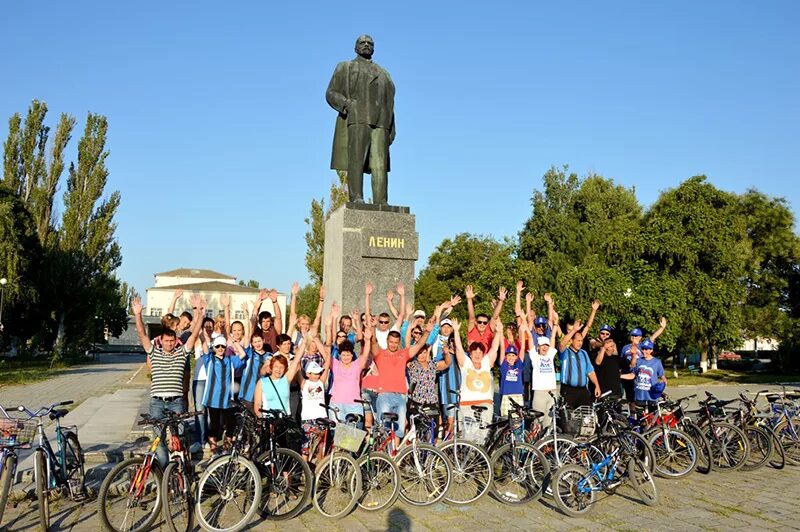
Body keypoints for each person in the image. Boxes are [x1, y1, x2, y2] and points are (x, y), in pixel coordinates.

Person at [132, 295, 204, 466]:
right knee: (159, 439)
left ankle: (181, 469)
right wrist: (137, 314)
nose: (170, 343)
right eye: (166, 341)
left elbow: (194, 334)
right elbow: (142, 334)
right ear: (161, 341)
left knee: (179, 436)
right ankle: (165, 473)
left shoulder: (182, 353)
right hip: (157, 403)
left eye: (172, 341)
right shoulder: (154, 352)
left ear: (175, 341)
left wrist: (199, 313)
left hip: (176, 403)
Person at [326, 34, 396, 205]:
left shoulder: (384, 74)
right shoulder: (346, 67)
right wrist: (347, 105)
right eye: (362, 43)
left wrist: (392, 126)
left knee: (380, 164)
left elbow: (390, 102)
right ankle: (356, 197)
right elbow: (331, 93)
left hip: (381, 122)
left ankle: (381, 201)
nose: (366, 45)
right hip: (358, 118)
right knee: (356, 159)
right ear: (355, 47)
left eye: (370, 43)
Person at [371, 318, 431, 440]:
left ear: (399, 343)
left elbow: (419, 345)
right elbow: (373, 342)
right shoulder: (380, 354)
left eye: (396, 342)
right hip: (384, 396)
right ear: (387, 341)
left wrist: (427, 331)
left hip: (400, 397)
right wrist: (372, 328)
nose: (393, 344)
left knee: (399, 431)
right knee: (383, 430)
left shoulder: (403, 354)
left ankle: (394, 457)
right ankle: (382, 457)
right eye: (391, 341)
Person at [452, 318, 502, 431]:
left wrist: (498, 333)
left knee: (483, 436)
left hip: (485, 405)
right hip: (467, 405)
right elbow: (459, 349)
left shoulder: (486, 363)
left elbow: (494, 349)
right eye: (475, 352)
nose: (477, 355)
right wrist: (456, 331)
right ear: (470, 353)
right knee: (468, 436)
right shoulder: (466, 363)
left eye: (480, 352)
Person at [200, 335, 246, 453]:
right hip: (213, 398)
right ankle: (214, 448)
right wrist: (201, 331)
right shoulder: (209, 359)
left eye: (223, 346)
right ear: (214, 347)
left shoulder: (230, 360)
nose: (220, 348)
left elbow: (243, 355)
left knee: (230, 423)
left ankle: (227, 445)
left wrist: (235, 341)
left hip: (227, 399)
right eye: (218, 346)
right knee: (214, 425)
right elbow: (204, 343)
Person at [621, 318, 667, 403]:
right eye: (632, 335)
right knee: (631, 399)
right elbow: (621, 361)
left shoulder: (643, 346)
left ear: (640, 337)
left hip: (641, 372)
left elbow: (653, 337)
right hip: (629, 372)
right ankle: (633, 414)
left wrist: (662, 328)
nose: (633, 337)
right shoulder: (625, 347)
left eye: (636, 336)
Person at [558, 319, 602, 408]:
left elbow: (590, 371)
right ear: (571, 340)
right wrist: (573, 330)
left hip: (582, 390)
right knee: (569, 418)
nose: (580, 343)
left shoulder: (584, 353)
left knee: (587, 415)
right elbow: (562, 343)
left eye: (581, 341)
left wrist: (597, 385)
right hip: (568, 390)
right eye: (578, 340)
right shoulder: (565, 352)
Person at [253, 345, 303, 418]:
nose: (278, 370)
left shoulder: (286, 380)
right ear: (271, 367)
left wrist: (304, 342)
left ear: (285, 369)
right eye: (276, 367)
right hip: (269, 420)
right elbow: (257, 404)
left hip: (285, 419)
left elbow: (296, 361)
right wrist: (262, 419)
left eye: (281, 367)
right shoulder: (262, 382)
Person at [621, 339, 666, 409]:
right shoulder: (638, 361)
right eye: (643, 349)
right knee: (640, 418)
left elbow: (663, 378)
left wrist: (660, 388)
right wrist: (619, 376)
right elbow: (632, 375)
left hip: (651, 396)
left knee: (652, 418)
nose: (644, 351)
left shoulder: (657, 362)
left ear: (651, 350)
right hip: (639, 395)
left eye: (647, 349)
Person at [465, 285, 506, 352]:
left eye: (485, 323)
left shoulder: (489, 330)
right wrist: (469, 300)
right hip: (472, 359)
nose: (482, 324)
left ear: (487, 324)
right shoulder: (472, 330)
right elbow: (471, 317)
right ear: (476, 322)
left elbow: (494, 317)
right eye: (479, 322)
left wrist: (501, 301)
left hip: (486, 360)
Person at [498, 344, 525, 417]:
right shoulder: (504, 366)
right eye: (509, 355)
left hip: (518, 395)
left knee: (518, 418)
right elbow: (502, 348)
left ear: (516, 357)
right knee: (505, 418)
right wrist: (500, 333)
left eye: (513, 355)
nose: (511, 357)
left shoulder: (518, 365)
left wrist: (522, 332)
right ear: (505, 357)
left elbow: (522, 348)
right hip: (506, 395)